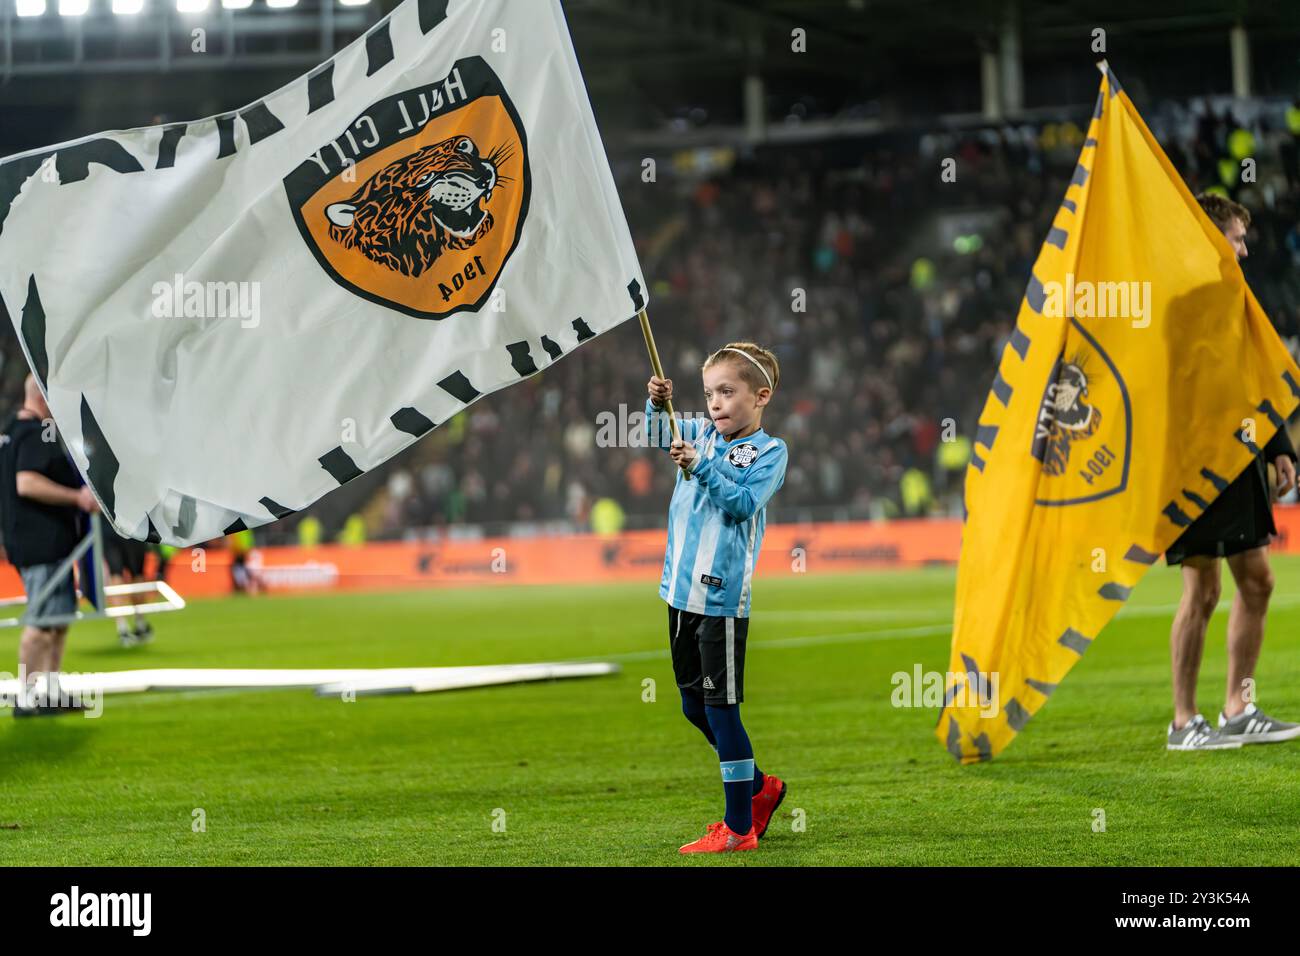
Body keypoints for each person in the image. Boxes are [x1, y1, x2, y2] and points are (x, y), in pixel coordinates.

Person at [1165, 194, 1300, 750]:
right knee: (1203, 590)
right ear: (1207, 235)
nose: (1243, 249)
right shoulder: (1173, 302)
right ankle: (1182, 722)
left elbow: (1257, 378)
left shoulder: (1237, 300)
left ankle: (1238, 706)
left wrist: (1277, 448)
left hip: (1241, 454)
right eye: (1236, 237)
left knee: (1258, 581)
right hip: (1193, 461)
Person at [645, 342, 789, 853]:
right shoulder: (703, 433)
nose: (716, 404)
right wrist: (656, 403)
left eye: (727, 392)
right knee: (691, 706)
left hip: (720, 600)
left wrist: (701, 467)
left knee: (722, 709)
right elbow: (658, 434)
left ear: (760, 396)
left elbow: (743, 503)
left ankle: (738, 828)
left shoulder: (769, 452)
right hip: (678, 593)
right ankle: (759, 788)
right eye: (709, 394)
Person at [0, 375, 98, 716]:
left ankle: (51, 692)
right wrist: (78, 498)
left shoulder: (12, 429)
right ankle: (26, 698)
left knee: (56, 619)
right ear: (43, 398)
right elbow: (26, 483)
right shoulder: (34, 433)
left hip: (41, 541)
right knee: (42, 622)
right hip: (41, 542)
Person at [103, 527, 154, 647]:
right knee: (137, 574)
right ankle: (140, 624)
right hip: (132, 525)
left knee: (115, 574)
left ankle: (122, 628)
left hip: (109, 525)